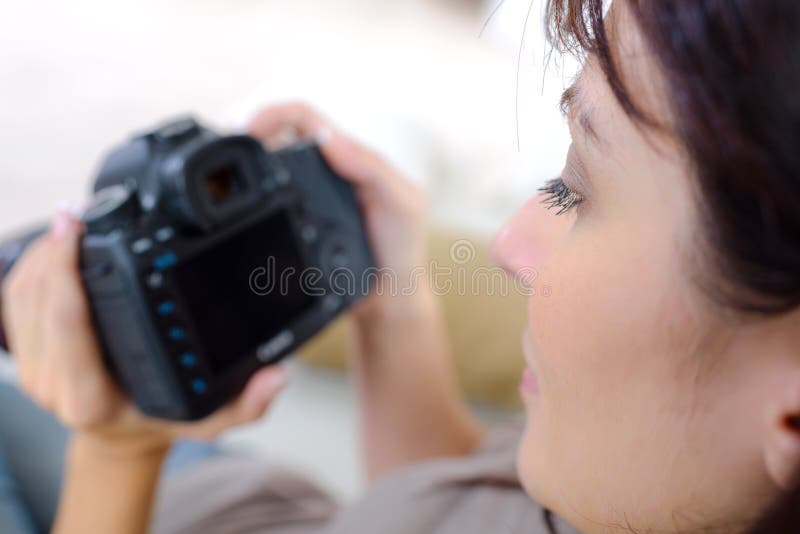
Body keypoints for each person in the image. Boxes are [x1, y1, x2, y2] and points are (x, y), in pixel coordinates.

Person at [2, 0, 800, 532]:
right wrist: (396, 301)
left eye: (578, 192)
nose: (508, 247)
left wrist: (115, 453)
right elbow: (448, 508)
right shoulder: (657, 476)